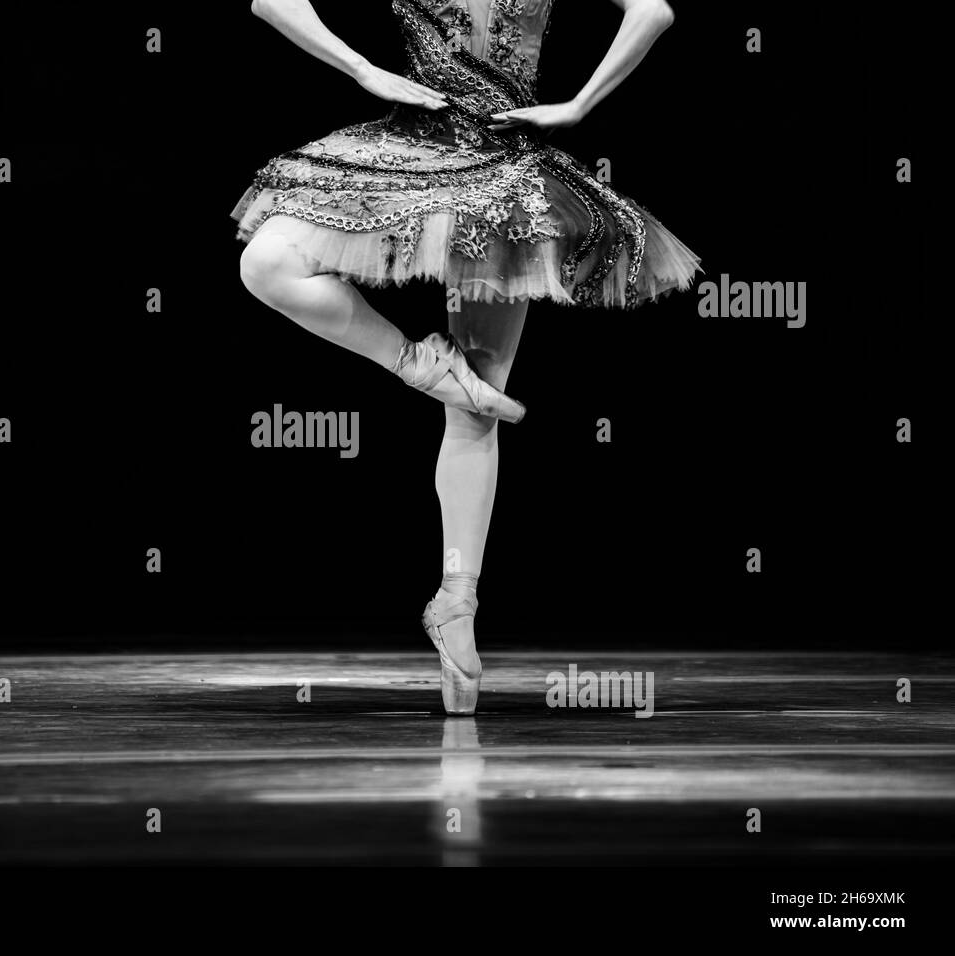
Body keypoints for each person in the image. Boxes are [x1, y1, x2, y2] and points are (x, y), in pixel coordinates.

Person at [233, 0, 700, 714]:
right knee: (268, 262)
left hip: (501, 171)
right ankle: (420, 364)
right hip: (412, 148)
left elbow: (653, 10)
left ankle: (457, 603)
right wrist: (363, 70)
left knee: (478, 401)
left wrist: (577, 104)